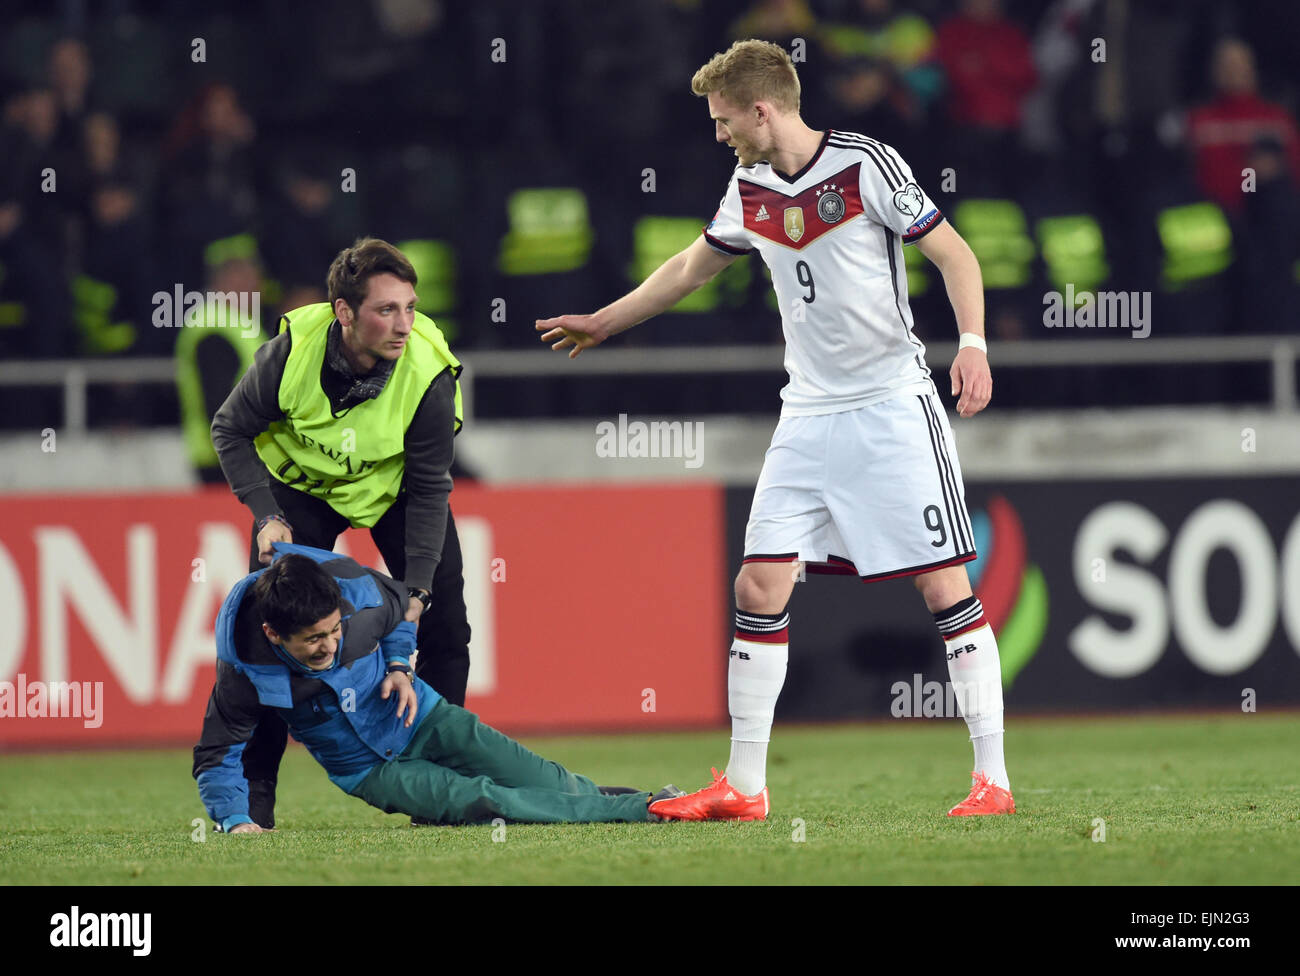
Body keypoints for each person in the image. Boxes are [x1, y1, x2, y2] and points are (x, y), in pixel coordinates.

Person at [536, 39, 1012, 820]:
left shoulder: (866, 165)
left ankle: (992, 780)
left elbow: (956, 255)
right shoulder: (747, 183)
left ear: (763, 109)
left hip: (893, 405)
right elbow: (691, 267)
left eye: (724, 120)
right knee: (758, 583)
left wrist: (974, 345)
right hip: (809, 412)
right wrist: (605, 322)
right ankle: (746, 787)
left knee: (943, 584)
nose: (719, 133)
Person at [210, 237, 471, 828]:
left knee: (447, 630)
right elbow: (229, 430)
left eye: (410, 307)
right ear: (344, 313)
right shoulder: (290, 352)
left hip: (396, 490)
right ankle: (255, 799)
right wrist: (264, 513)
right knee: (271, 636)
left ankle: (441, 791)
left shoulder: (430, 371)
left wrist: (418, 594)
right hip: (302, 488)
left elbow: (431, 488)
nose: (405, 324)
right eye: (387, 310)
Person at [193, 547, 676, 828]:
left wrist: (400, 664)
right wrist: (236, 821)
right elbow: (217, 755)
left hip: (424, 717)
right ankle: (648, 808)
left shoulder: (356, 592)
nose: (330, 646)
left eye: (334, 631)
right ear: (273, 634)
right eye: (313, 641)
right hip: (369, 771)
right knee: (489, 800)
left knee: (553, 783)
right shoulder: (243, 670)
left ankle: (655, 800)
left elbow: (404, 608)